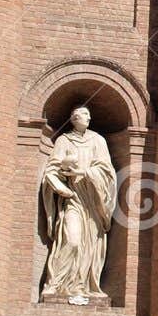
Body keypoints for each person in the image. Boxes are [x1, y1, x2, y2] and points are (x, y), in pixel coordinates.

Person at [40, 105, 116, 304]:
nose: (88, 119)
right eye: (84, 115)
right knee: (72, 241)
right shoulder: (63, 141)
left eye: (89, 116)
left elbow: (107, 171)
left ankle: (82, 286)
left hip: (93, 201)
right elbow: (51, 170)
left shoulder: (98, 140)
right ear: (74, 118)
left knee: (90, 245)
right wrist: (61, 187)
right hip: (73, 199)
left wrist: (83, 172)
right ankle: (56, 284)